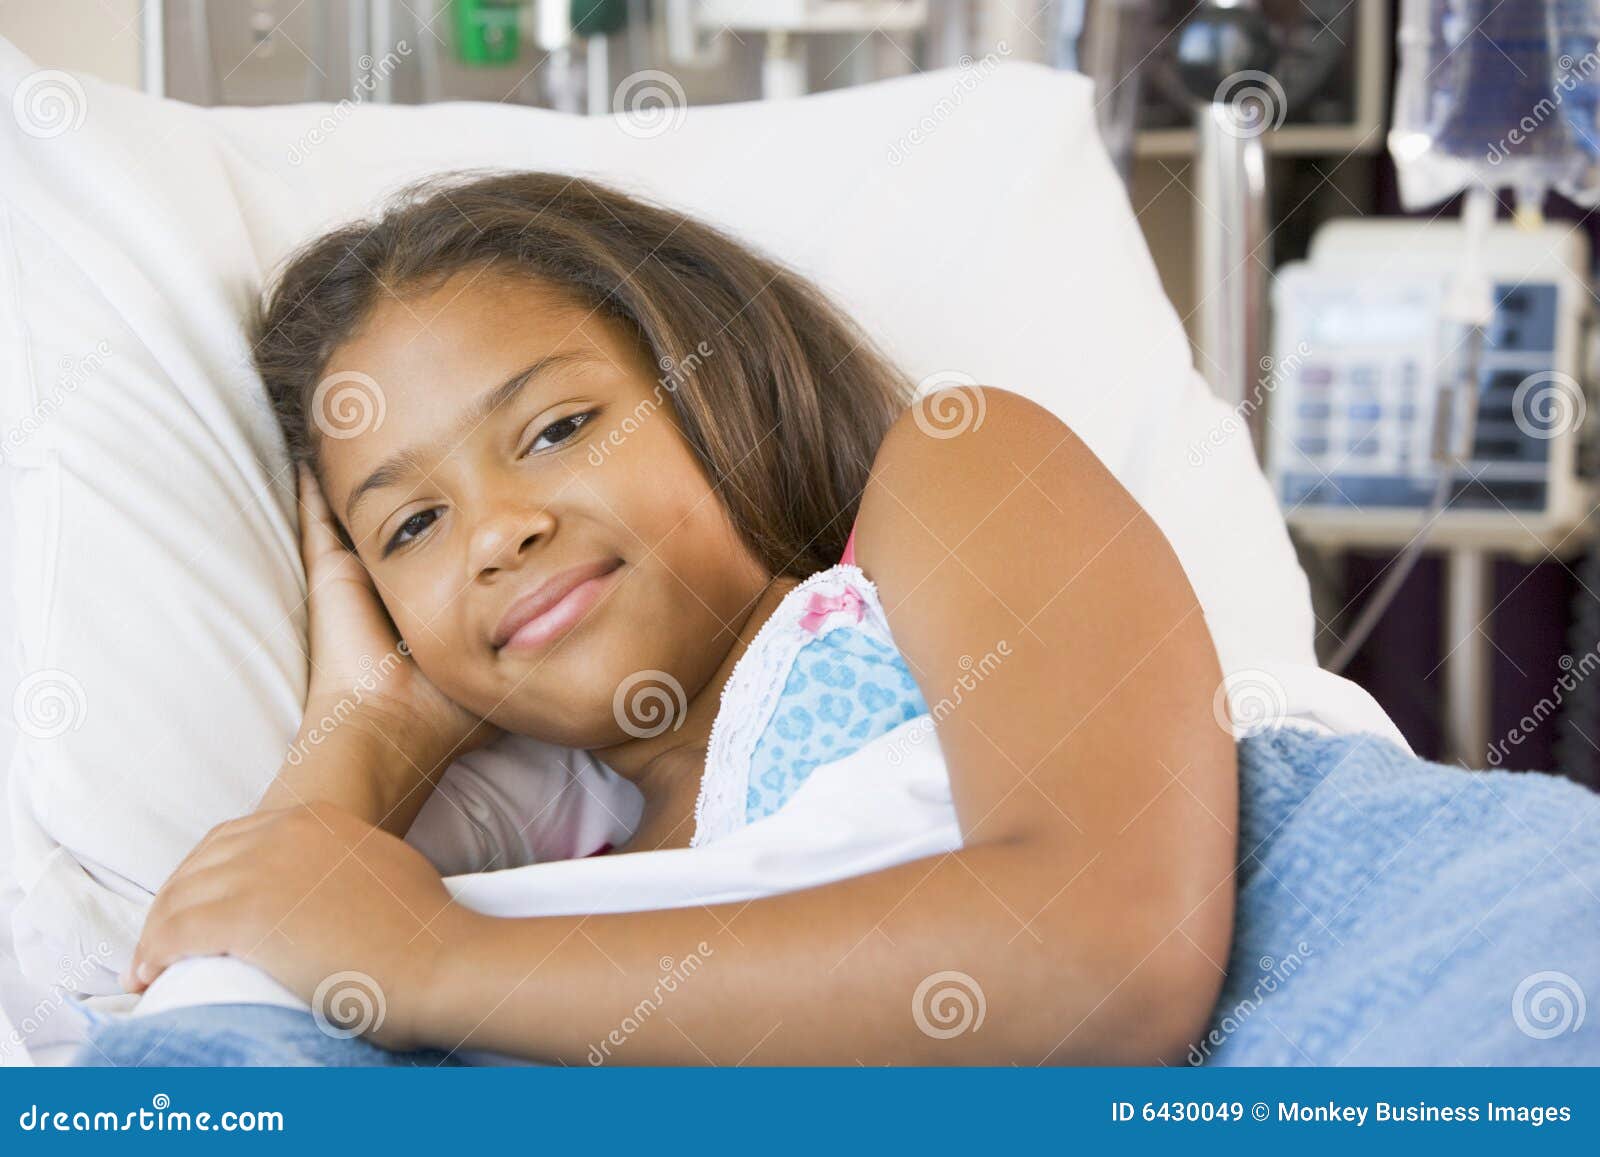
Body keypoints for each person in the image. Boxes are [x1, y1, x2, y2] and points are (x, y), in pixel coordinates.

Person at [101, 172, 1237, 1065]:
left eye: (554, 429)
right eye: (411, 527)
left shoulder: (954, 473)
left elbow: (1103, 954)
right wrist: (365, 729)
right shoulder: (561, 853)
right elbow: (219, 1018)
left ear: (716, 381)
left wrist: (438, 959)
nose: (496, 532)